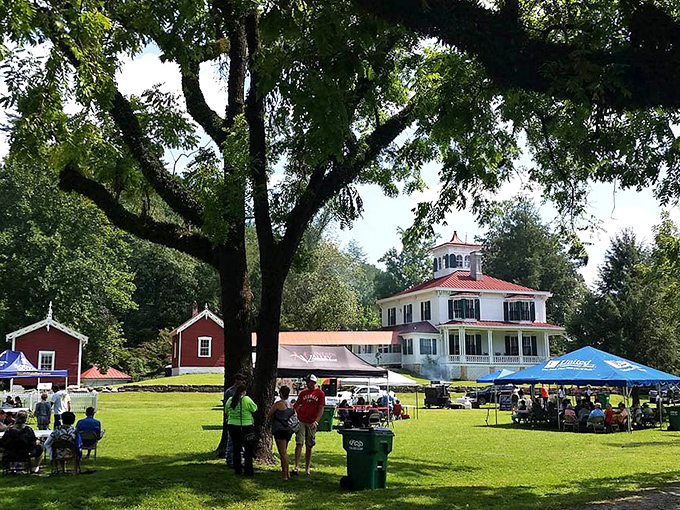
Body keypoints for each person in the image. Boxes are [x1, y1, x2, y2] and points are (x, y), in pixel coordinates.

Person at [292, 374, 325, 476]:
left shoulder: (320, 393)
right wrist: (295, 413)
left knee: (309, 445)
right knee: (299, 443)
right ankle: (296, 467)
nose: (307, 384)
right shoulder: (303, 393)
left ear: (313, 382)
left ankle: (307, 468)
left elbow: (321, 408)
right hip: (301, 420)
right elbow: (296, 405)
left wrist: (316, 421)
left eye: (308, 382)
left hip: (311, 422)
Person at [225, 383, 257, 476]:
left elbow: (226, 410)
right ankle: (248, 470)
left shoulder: (231, 400)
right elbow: (254, 408)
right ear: (244, 392)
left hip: (232, 425)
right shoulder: (246, 399)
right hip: (246, 426)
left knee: (236, 448)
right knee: (248, 449)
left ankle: (237, 469)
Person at [268, 385, 296, 481]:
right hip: (288, 430)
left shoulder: (278, 404)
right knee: (284, 451)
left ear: (280, 393)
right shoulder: (291, 405)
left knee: (283, 453)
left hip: (279, 430)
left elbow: (269, 414)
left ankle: (285, 475)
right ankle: (286, 472)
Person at [223, 373, 246, 467]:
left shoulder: (244, 391)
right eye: (240, 380)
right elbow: (226, 406)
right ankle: (229, 460)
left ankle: (239, 460)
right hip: (233, 419)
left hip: (242, 420)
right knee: (231, 441)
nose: (241, 382)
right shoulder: (229, 392)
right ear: (236, 380)